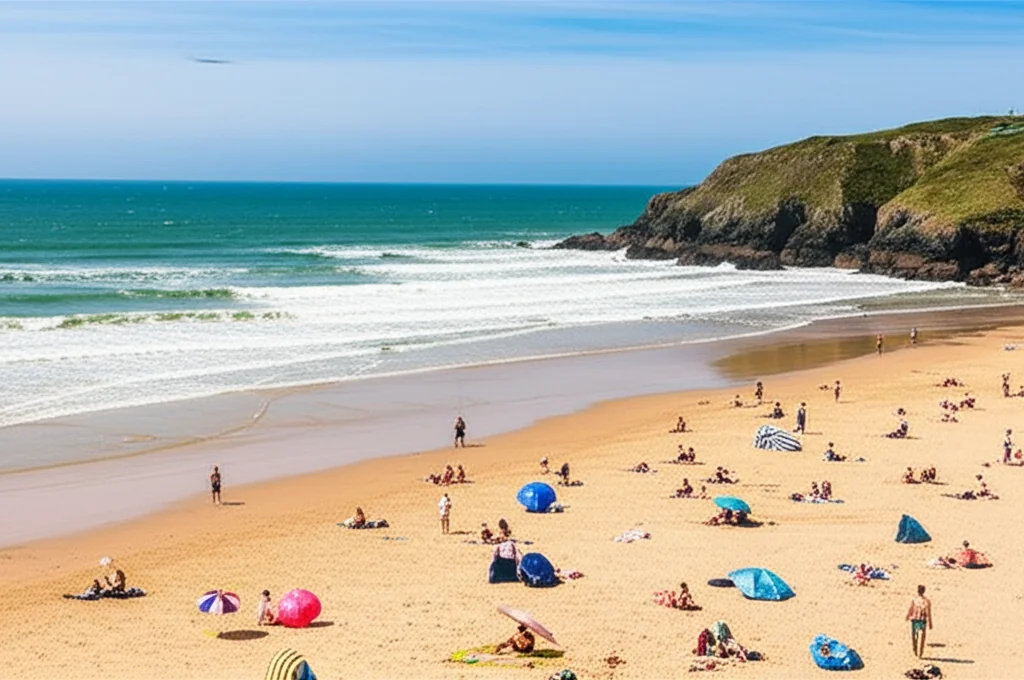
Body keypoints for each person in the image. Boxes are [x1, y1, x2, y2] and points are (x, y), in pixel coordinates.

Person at [906, 585, 933, 658]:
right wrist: (930, 622)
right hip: (921, 619)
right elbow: (928, 612)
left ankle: (916, 650)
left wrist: (908, 616)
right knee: (921, 636)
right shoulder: (926, 601)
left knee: (915, 635)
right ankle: (919, 651)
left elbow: (911, 608)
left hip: (916, 619)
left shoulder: (915, 599)